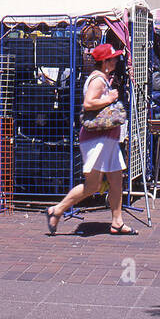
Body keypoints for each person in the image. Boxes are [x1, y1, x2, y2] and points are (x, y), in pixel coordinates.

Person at [46, 44, 137, 237]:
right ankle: (58, 209)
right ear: (105, 62)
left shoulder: (104, 78)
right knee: (92, 186)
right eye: (113, 58)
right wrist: (110, 98)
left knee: (116, 180)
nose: (116, 61)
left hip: (107, 139)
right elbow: (88, 103)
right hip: (97, 140)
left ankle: (117, 221)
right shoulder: (97, 80)